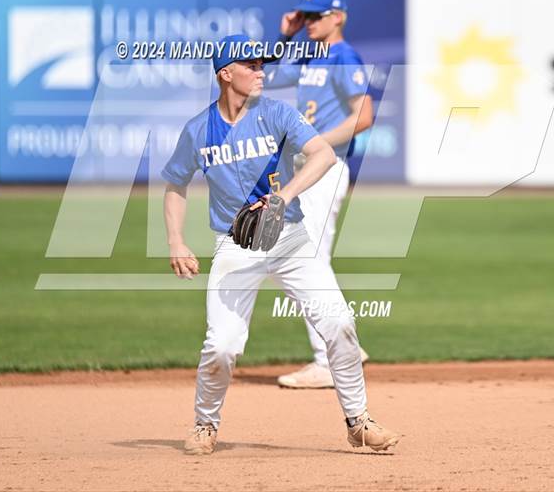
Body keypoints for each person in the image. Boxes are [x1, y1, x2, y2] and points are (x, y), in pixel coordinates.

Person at [162, 34, 400, 455]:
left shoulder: (276, 113)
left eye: (262, 64)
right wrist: (176, 241)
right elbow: (175, 184)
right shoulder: (198, 129)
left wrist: (284, 197)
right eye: (251, 65)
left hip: (291, 240)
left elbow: (323, 154)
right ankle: (204, 424)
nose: (261, 72)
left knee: (340, 324)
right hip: (236, 246)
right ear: (225, 74)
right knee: (222, 345)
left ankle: (359, 421)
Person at [265, 0, 375, 389]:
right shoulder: (310, 54)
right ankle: (342, 346)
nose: (309, 21)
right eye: (305, 15)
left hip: (324, 169)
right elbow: (265, 76)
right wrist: (285, 36)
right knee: (286, 257)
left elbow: (363, 116)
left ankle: (330, 360)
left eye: (316, 15)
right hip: (306, 169)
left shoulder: (344, 56)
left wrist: (316, 144)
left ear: (338, 17)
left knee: (305, 258)